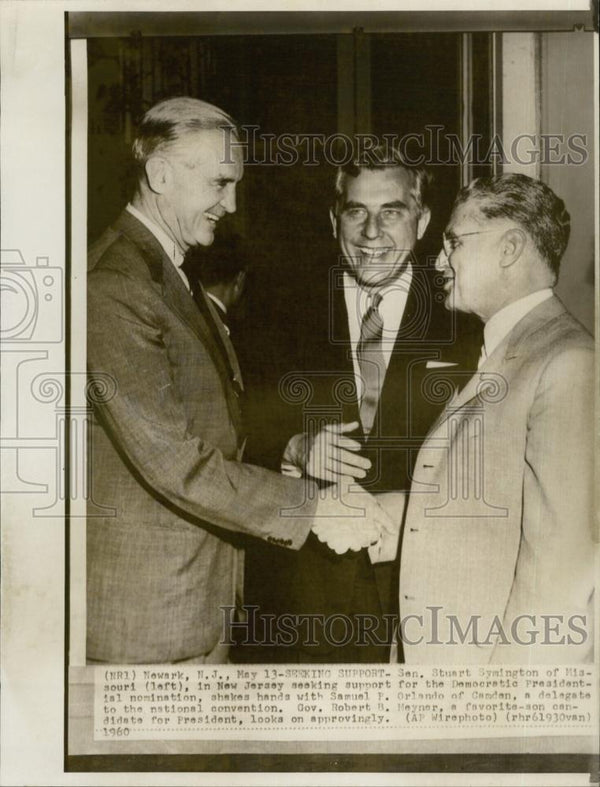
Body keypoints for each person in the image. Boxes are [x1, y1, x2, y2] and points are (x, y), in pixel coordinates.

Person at [86, 96, 391, 664]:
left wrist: (292, 452)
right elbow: (175, 462)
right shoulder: (115, 287)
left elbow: (218, 427)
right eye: (220, 183)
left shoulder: (168, 274)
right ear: (161, 175)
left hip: (197, 608)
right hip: (148, 624)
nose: (230, 204)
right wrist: (311, 506)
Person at [244, 145, 480, 663]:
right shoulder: (277, 308)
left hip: (426, 597)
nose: (372, 233)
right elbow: (235, 426)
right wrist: (292, 446)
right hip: (304, 603)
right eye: (357, 212)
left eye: (391, 212)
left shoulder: (465, 317)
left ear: (422, 221)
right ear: (335, 220)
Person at [372, 173, 595, 663]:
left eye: (454, 242)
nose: (438, 261)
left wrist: (506, 701)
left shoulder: (567, 362)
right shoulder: (506, 349)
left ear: (509, 248)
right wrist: (390, 511)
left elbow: (559, 573)